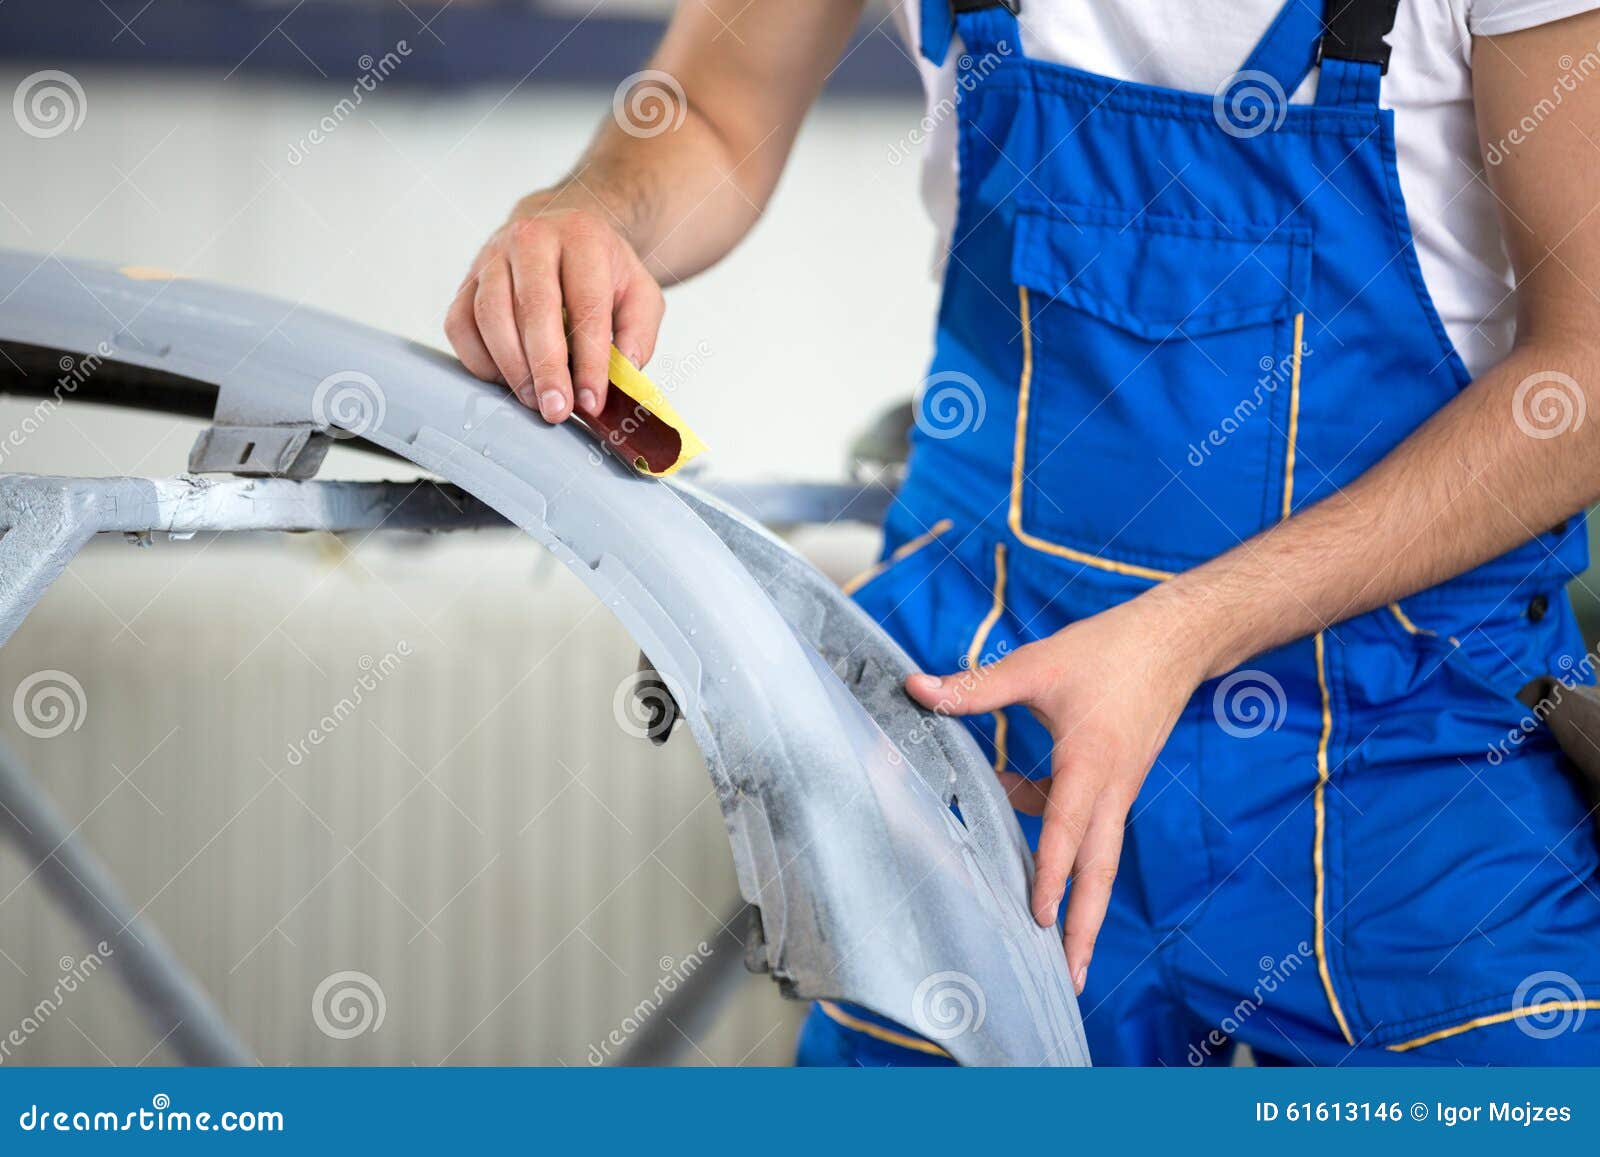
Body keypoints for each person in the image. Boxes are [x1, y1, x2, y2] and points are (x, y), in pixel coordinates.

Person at [445, 0, 1600, 1065]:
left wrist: (1183, 630)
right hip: (992, 723)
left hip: (1405, 749)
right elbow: (707, 109)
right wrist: (584, 215)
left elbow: (1584, 369)